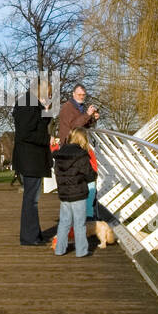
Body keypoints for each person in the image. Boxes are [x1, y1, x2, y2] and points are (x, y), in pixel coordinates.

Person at [12, 75, 53, 246]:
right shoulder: (28, 104)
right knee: (31, 199)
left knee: (32, 199)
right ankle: (29, 237)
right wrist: (46, 140)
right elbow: (25, 133)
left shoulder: (29, 103)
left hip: (31, 159)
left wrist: (47, 111)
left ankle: (33, 234)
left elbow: (37, 126)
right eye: (47, 93)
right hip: (31, 159)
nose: (48, 96)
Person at [52, 127, 97, 257]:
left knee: (64, 222)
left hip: (64, 194)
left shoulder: (60, 155)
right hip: (78, 193)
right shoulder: (81, 155)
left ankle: (59, 249)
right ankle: (81, 251)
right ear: (82, 139)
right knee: (79, 223)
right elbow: (90, 175)